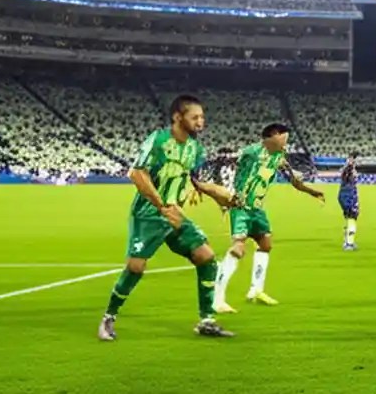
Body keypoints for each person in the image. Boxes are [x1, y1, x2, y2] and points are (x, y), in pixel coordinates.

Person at [97, 95, 240, 341]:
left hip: (174, 214)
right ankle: (108, 318)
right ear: (178, 117)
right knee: (136, 267)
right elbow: (137, 173)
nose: (200, 122)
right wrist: (162, 206)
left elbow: (193, 180)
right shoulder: (159, 140)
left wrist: (218, 196)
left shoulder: (195, 149)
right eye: (195, 117)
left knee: (206, 257)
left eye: (202, 117)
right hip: (148, 214)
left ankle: (206, 320)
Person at [212, 124, 325, 314]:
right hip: (241, 207)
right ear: (273, 136)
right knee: (238, 249)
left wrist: (312, 192)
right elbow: (221, 164)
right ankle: (217, 299)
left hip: (257, 209)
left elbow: (294, 180)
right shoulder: (251, 152)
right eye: (284, 139)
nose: (286, 144)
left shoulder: (279, 157)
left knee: (265, 244)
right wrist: (220, 196)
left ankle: (255, 290)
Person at [339, 153, 360, 250]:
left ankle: (347, 241)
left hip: (345, 196)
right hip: (349, 197)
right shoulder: (349, 172)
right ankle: (349, 243)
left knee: (349, 219)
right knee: (352, 219)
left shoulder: (346, 173)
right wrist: (351, 162)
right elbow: (349, 168)